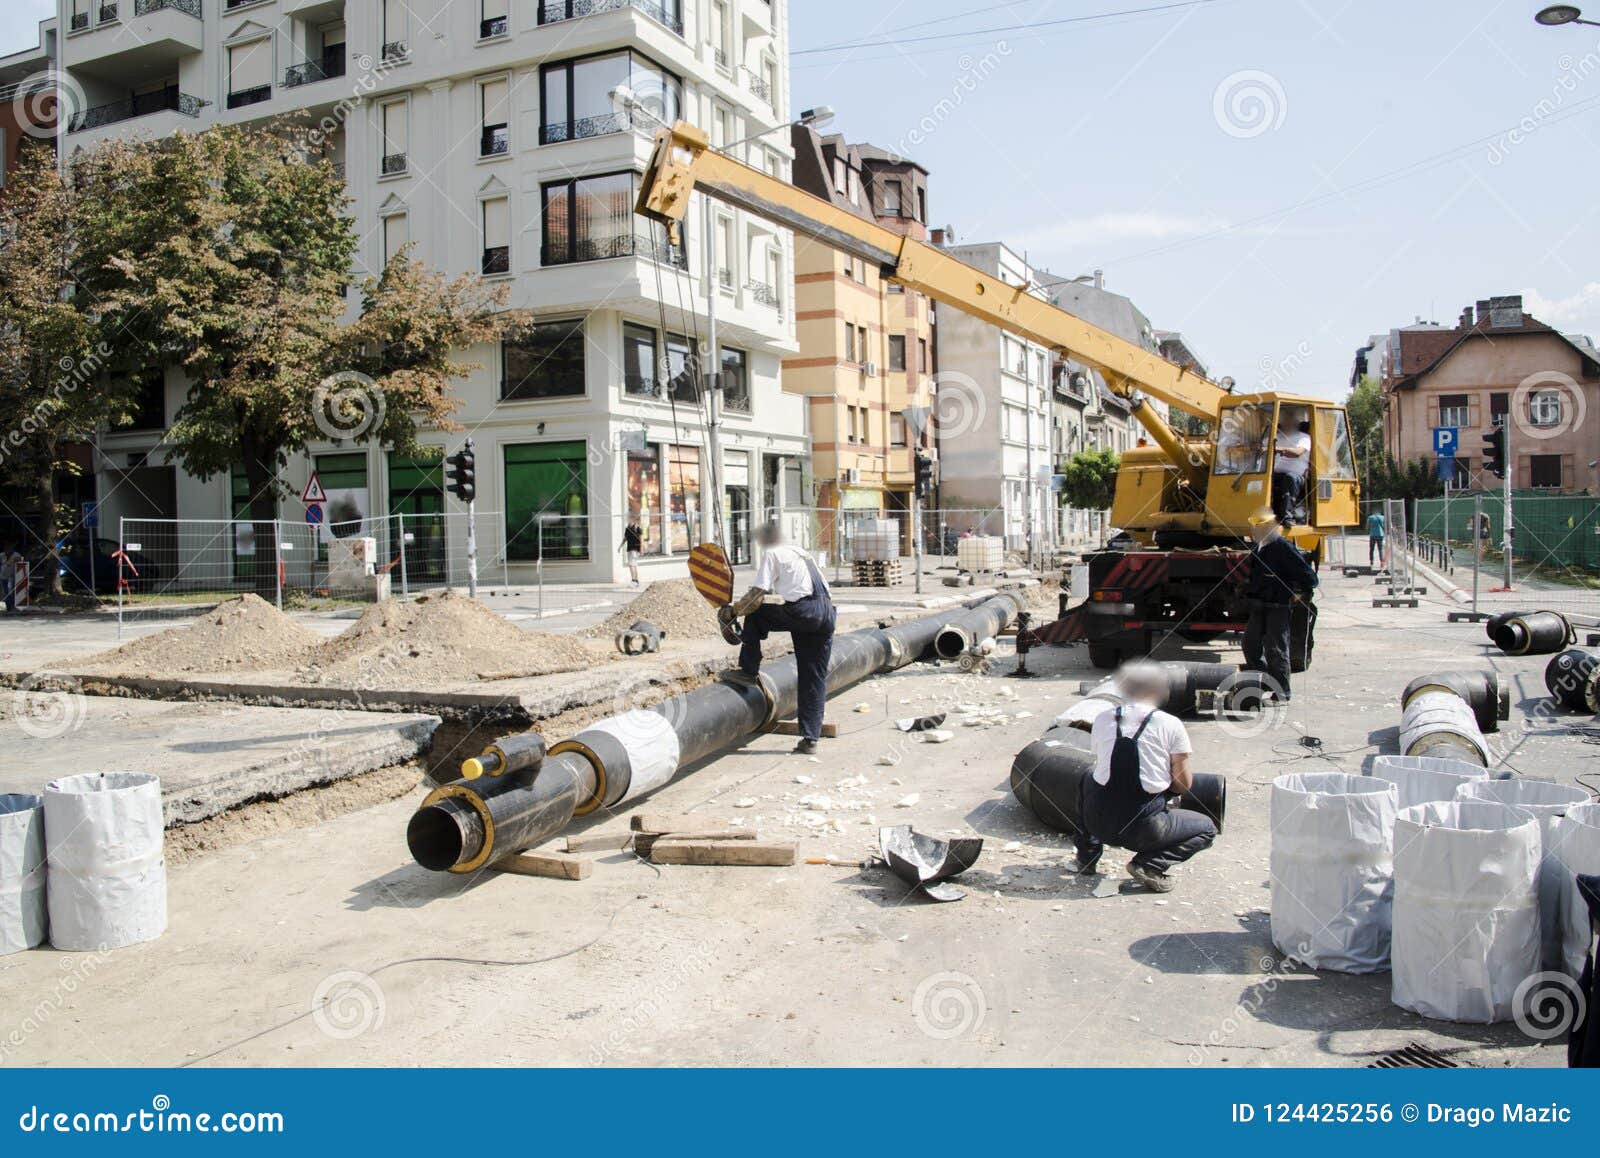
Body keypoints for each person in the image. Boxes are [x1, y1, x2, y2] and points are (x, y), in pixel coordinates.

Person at [1074, 663, 1217, 893]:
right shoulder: (1171, 724)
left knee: (1087, 777)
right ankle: (1149, 865)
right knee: (1207, 829)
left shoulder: (1102, 718)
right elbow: (1183, 785)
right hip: (1143, 830)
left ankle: (1086, 857)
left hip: (1098, 821)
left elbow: (1103, 766)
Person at [719, 522, 836, 754]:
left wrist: (732, 612)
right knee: (813, 676)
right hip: (827, 614)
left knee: (757, 615)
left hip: (805, 612)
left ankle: (748, 671)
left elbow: (756, 597)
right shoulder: (800, 553)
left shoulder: (772, 554)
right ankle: (810, 739)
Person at [1242, 513, 1318, 702]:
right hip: (1260, 605)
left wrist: (1301, 592)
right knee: (1250, 646)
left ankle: (1282, 692)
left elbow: (1309, 577)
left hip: (1278, 605)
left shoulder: (1283, 547)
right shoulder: (1260, 547)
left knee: (1276, 649)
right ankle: (1263, 683)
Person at [1271, 415, 1312, 526]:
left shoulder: (1304, 438)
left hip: (1297, 478)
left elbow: (1297, 452)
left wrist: (1277, 449)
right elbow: (1261, 447)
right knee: (1261, 477)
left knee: (1290, 478)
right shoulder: (1275, 437)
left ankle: (1287, 516)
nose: (1287, 424)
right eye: (1285, 422)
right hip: (1276, 474)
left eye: (1290, 422)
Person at [620, 517, 643, 586]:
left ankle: (634, 580)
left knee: (631, 565)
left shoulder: (637, 528)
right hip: (633, 549)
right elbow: (625, 539)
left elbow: (641, 539)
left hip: (633, 549)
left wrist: (641, 549)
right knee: (634, 565)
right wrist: (620, 546)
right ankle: (636, 580)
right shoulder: (628, 529)